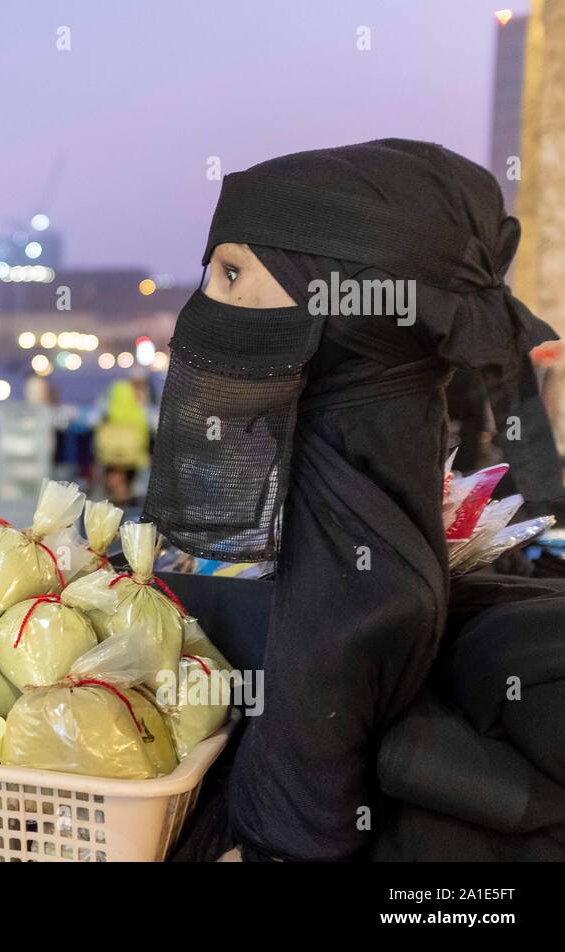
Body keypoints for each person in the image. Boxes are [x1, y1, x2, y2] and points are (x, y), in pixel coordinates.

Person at [143, 139, 564, 861]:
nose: (205, 302)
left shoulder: (347, 536)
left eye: (233, 271)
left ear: (340, 299)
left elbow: (294, 819)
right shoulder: (363, 468)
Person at [94, 378, 150, 506]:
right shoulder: (139, 412)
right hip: (131, 457)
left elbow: (98, 437)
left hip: (110, 456)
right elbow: (143, 437)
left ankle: (118, 502)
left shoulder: (107, 412)